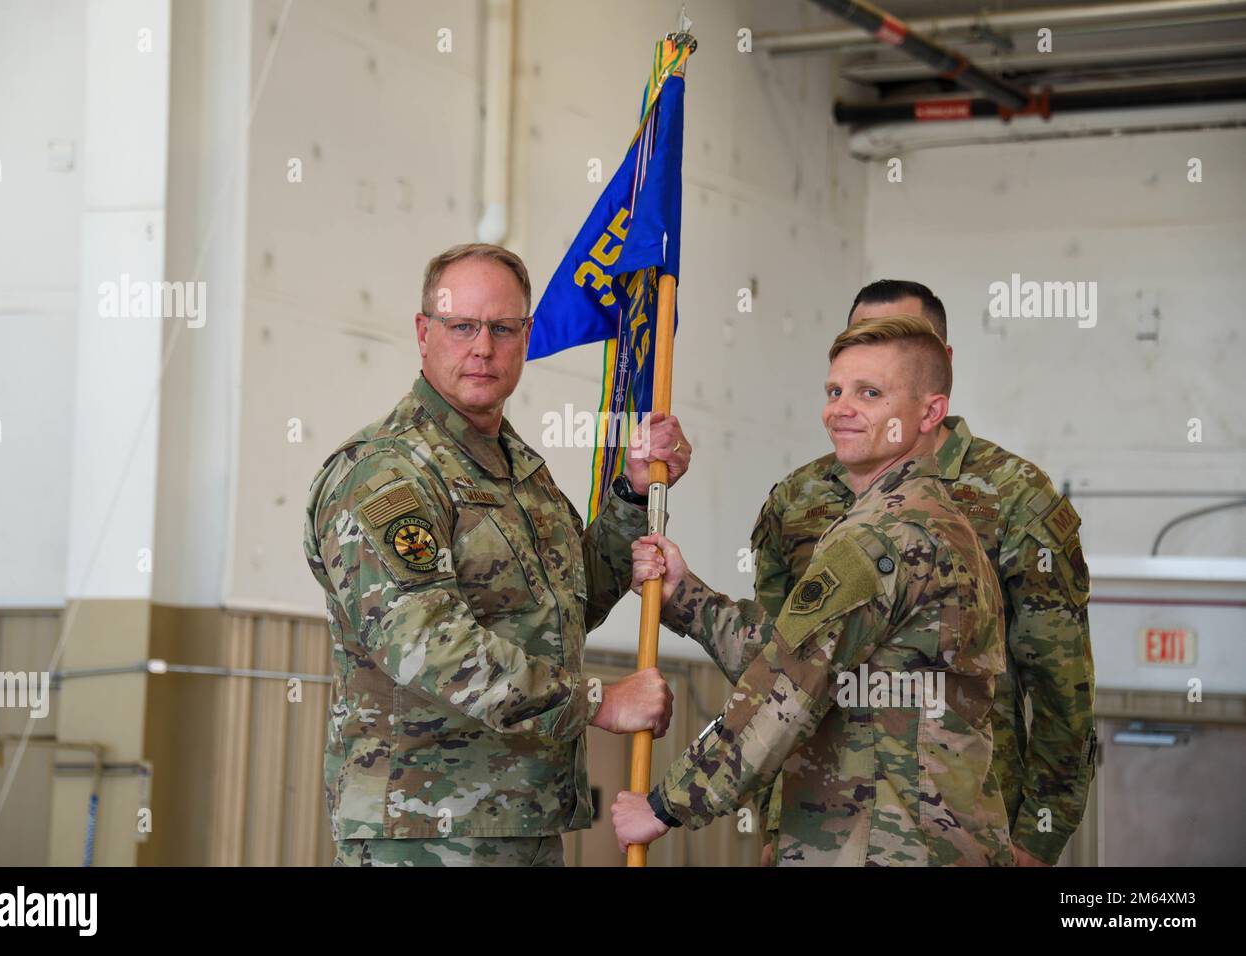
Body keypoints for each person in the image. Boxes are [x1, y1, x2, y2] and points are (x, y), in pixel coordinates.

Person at [303, 242, 692, 866]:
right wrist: (598, 702)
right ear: (424, 333)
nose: (483, 347)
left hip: (524, 816)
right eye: (462, 326)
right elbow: (429, 647)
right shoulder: (387, 474)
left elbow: (571, 602)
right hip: (425, 828)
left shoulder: (518, 471)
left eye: (503, 328)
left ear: (526, 337)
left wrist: (631, 493)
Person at [611, 314, 1012, 866]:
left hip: (884, 845)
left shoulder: (879, 536)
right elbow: (805, 659)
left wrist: (664, 805)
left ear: (930, 412)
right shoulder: (938, 520)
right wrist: (686, 598)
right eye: (834, 391)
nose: (840, 409)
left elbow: (786, 686)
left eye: (869, 393)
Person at [751, 281, 1095, 866]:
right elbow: (770, 663)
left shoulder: (1015, 498)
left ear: (940, 370)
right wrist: (771, 817)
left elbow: (1062, 688)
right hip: (818, 831)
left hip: (957, 830)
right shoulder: (800, 498)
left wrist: (1040, 838)